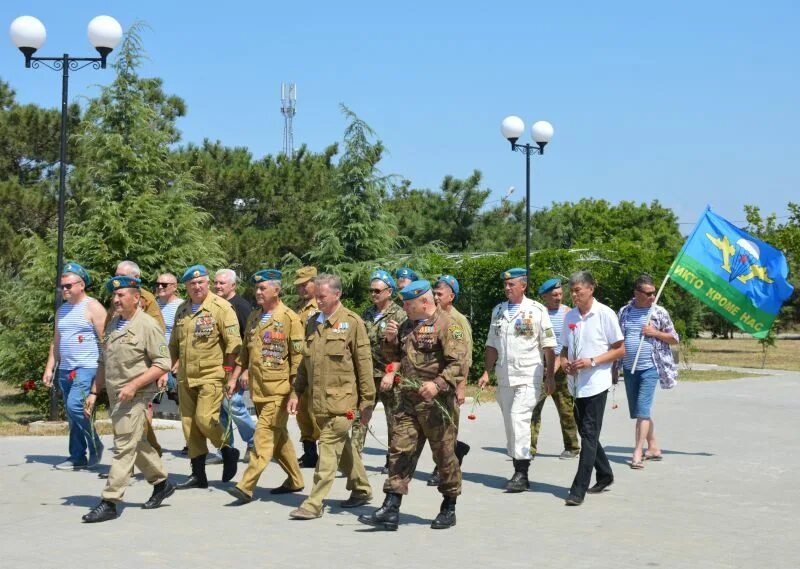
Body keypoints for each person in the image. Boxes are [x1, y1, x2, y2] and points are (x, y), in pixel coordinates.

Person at [358, 280, 468, 531]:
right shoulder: (407, 325)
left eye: (408, 303)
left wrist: (437, 384)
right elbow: (394, 358)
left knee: (444, 456)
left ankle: (449, 506)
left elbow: (458, 364)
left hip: (437, 405)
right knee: (400, 451)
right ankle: (391, 507)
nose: (404, 307)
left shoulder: (449, 326)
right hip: (408, 401)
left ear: (424, 302)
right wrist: (389, 340)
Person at [81, 276, 174, 523]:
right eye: (114, 295)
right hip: (116, 396)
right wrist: (93, 392)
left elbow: (162, 363)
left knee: (123, 447)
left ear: (136, 298)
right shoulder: (113, 325)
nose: (116, 299)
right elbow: (104, 361)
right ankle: (162, 483)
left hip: (136, 395)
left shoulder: (147, 326)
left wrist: (134, 385)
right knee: (136, 442)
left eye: (121, 295)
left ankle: (110, 501)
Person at [286, 274, 375, 520]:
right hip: (319, 403)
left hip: (343, 402)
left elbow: (364, 365)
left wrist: (367, 402)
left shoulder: (352, 323)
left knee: (327, 447)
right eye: (316, 297)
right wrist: (296, 392)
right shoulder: (313, 322)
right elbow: (305, 363)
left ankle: (314, 502)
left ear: (337, 295)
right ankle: (361, 489)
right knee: (342, 446)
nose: (318, 301)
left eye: (322, 297)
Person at [227, 270, 305, 504]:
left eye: (263, 288)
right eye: (257, 288)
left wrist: (294, 392)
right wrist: (234, 378)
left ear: (276, 290)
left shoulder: (290, 319)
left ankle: (246, 486)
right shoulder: (253, 317)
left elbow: (298, 361)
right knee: (279, 438)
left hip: (279, 392)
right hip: (258, 390)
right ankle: (295, 479)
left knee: (263, 438)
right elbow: (245, 353)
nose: (258, 292)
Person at [478, 268, 556, 493]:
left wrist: (550, 376)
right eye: (506, 284)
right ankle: (518, 466)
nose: (507, 288)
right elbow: (492, 344)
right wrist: (486, 371)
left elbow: (548, 345)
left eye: (512, 284)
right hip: (504, 377)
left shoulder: (537, 310)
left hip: (528, 375)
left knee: (518, 418)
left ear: (524, 286)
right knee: (509, 424)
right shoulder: (499, 311)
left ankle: (522, 472)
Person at [170, 264, 242, 489]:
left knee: (204, 418)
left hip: (211, 374)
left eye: (200, 282)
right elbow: (173, 342)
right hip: (186, 377)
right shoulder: (182, 310)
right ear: (186, 287)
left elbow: (234, 344)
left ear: (207, 283)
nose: (197, 286)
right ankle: (198, 474)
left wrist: (230, 375)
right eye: (192, 284)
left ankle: (227, 449)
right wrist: (171, 364)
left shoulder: (221, 307)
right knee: (189, 425)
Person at [561, 271, 625, 506]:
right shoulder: (570, 317)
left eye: (578, 290)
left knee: (588, 435)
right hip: (576, 385)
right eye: (572, 290)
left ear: (591, 289)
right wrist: (565, 363)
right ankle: (605, 474)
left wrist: (592, 361)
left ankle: (578, 489)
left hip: (597, 383)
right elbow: (564, 349)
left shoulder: (604, 314)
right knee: (588, 434)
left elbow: (620, 349)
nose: (574, 294)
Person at [42, 262, 106, 471]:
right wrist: (49, 368)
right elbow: (56, 341)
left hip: (86, 367)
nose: (65, 290)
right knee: (72, 415)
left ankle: (95, 445)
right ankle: (77, 456)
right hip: (65, 369)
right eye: (63, 286)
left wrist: (105, 369)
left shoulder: (93, 307)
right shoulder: (62, 310)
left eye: (69, 286)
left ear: (81, 285)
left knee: (75, 406)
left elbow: (105, 339)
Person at [616, 274, 679, 469]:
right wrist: (614, 367)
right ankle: (653, 447)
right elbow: (617, 340)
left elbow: (674, 338)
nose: (653, 297)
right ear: (637, 293)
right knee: (638, 411)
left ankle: (637, 451)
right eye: (648, 293)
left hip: (650, 367)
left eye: (654, 292)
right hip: (628, 367)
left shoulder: (659, 313)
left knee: (643, 409)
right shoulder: (624, 312)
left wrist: (655, 333)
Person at [351, 269, 407, 473]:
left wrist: (391, 373)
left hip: (391, 375)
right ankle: (354, 459)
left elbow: (405, 351)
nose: (373, 294)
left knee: (394, 420)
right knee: (360, 417)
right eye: (371, 291)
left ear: (389, 292)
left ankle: (394, 461)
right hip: (368, 375)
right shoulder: (366, 313)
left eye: (377, 291)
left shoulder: (401, 315)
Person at [109, 260, 165, 455]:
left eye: (123, 275)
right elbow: (111, 327)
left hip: (142, 368)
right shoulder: (116, 298)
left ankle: (145, 455)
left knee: (138, 419)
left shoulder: (146, 299)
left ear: (136, 278)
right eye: (116, 275)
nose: (118, 279)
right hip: (119, 369)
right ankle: (148, 462)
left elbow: (157, 331)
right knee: (124, 423)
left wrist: (159, 370)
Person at [427, 275, 472, 486]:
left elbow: (464, 357)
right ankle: (453, 454)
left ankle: (444, 469)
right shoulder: (432, 317)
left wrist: (461, 387)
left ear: (451, 297)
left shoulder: (457, 321)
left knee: (448, 427)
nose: (435, 297)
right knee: (437, 427)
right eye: (434, 293)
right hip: (434, 383)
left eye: (440, 294)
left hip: (451, 384)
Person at [531, 278, 580, 460]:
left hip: (561, 368)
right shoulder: (537, 313)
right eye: (554, 295)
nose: (558, 298)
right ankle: (529, 448)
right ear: (544, 297)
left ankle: (572, 446)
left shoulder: (569, 313)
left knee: (566, 410)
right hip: (540, 367)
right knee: (533, 409)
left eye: (560, 294)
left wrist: (557, 365)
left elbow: (567, 343)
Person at [213, 269, 257, 462]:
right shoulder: (215, 306)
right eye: (216, 283)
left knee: (234, 405)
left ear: (233, 286)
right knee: (221, 409)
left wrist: (246, 369)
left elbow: (250, 341)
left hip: (237, 366)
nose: (218, 286)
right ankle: (226, 449)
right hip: (218, 367)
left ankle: (254, 442)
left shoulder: (241, 306)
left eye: (222, 283)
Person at [293, 266, 321, 468]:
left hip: (315, 366)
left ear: (315, 283)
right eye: (299, 286)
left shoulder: (320, 307)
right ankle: (309, 453)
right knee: (302, 411)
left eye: (306, 284)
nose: (302, 289)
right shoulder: (299, 309)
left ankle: (327, 453)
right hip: (300, 367)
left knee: (316, 412)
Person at [155, 272, 182, 402]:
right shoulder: (152, 306)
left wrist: (180, 360)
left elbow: (185, 337)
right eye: (157, 284)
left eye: (164, 284)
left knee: (180, 401)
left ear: (174, 287)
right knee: (150, 402)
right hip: (155, 360)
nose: (160, 287)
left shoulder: (181, 306)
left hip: (173, 361)